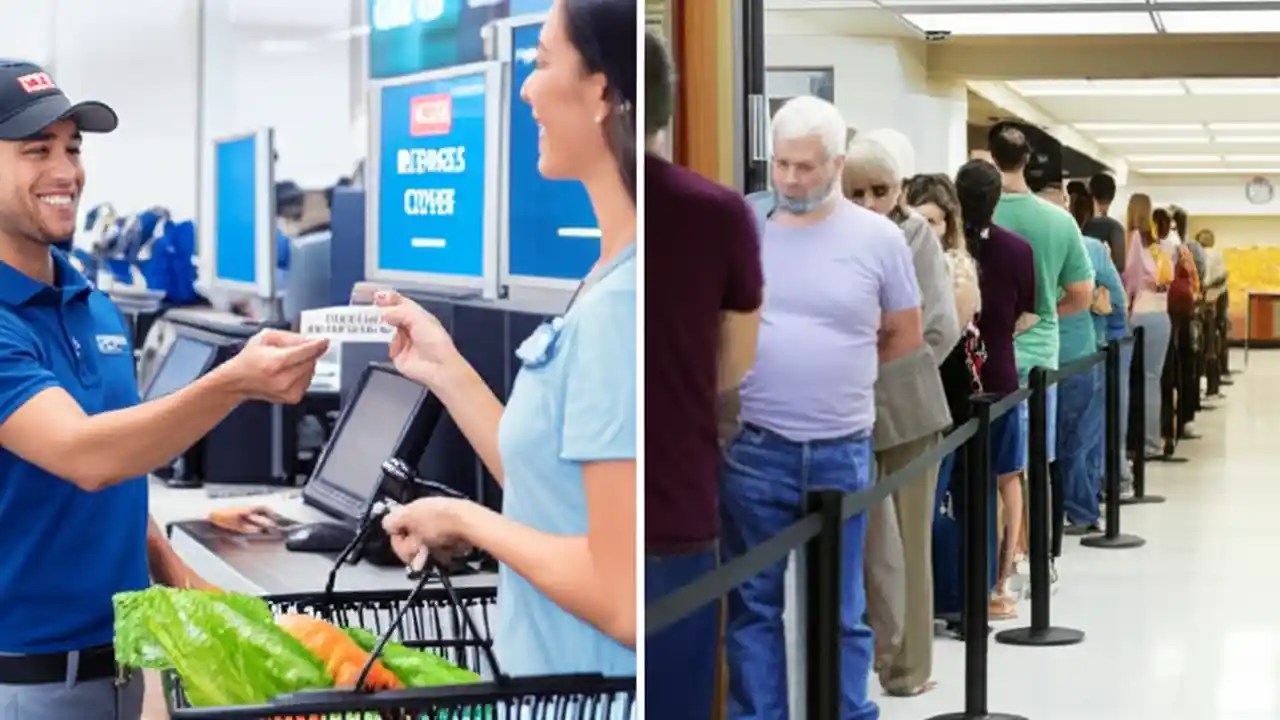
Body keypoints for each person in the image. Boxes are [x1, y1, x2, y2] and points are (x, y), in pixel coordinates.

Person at [0, 61, 329, 718]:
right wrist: (234, 382)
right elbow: (87, 457)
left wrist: (179, 576)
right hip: (24, 686)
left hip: (120, 669)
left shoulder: (91, 304)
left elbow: (118, 473)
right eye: (37, 150)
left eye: (73, 147)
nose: (66, 170)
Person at [378, 0, 637, 679]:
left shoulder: (625, 303)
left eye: (544, 61)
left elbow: (622, 597)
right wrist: (445, 368)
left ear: (601, 90)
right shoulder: (607, 277)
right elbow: (547, 489)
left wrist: (466, 522)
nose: (524, 86)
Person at [724, 95, 922, 720]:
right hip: (757, 447)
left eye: (806, 167)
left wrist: (839, 371)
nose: (790, 179)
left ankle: (844, 711)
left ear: (837, 163)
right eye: (781, 164)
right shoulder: (745, 230)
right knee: (754, 606)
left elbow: (904, 333)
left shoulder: (879, 238)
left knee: (843, 608)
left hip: (842, 447)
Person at [643, 30, 763, 720]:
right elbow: (733, 364)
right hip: (674, 510)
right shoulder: (717, 214)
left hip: (619, 528)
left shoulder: (603, 214)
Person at [844, 133, 958, 698]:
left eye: (879, 190)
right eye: (855, 191)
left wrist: (890, 368)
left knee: (910, 542)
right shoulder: (831, 236)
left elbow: (939, 328)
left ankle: (909, 669)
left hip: (908, 409)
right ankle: (875, 653)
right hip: (845, 410)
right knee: (870, 545)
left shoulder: (916, 239)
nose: (868, 202)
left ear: (902, 190)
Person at [989, 125, 1093, 590]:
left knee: (995, 466)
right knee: (1040, 460)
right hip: (1039, 357)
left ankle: (997, 563)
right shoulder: (1058, 221)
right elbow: (1082, 294)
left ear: (990, 159)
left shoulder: (977, 216)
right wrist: (1047, 312)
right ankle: (1044, 560)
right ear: (1027, 160)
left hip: (987, 357)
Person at [950, 160, 1036, 621]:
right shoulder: (1018, 250)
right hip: (1000, 373)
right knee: (1007, 477)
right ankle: (999, 582)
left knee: (958, 486)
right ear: (998, 198)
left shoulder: (946, 251)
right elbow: (1028, 312)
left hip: (954, 380)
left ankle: (956, 578)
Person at [1062, 191, 1127, 533]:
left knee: (1060, 440)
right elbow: (1117, 303)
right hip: (1086, 352)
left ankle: (1072, 509)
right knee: (1083, 438)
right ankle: (1083, 509)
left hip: (1040, 357)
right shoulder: (1092, 249)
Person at [1122, 194, 1174, 461]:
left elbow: (1129, 280)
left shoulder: (1131, 240)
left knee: (1126, 381)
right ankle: (1153, 442)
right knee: (1152, 381)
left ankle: (1128, 443)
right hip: (1161, 316)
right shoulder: (1157, 245)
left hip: (1139, 314)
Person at [1198, 229, 1229, 398]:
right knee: (1212, 345)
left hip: (1204, 303)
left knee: (1205, 346)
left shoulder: (1200, 254)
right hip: (1214, 303)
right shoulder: (1216, 255)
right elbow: (1222, 277)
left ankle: (1208, 386)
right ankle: (1212, 387)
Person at [1083, 173, 1127, 273]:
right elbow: (1120, 266)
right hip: (1103, 284)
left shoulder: (1077, 222)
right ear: (1113, 195)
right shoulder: (1114, 227)